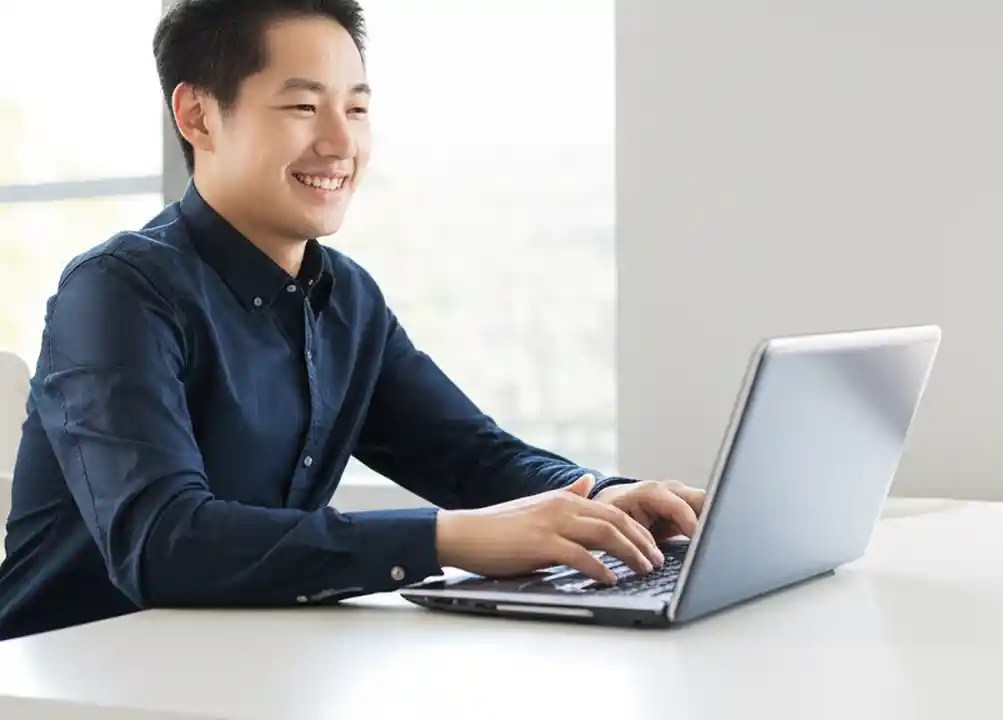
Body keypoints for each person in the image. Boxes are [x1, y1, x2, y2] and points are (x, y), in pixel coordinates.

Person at [0, 0, 704, 641]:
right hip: (63, 677)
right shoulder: (116, 291)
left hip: (238, 669)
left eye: (357, 110)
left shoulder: (347, 300)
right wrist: (446, 539)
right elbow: (163, 543)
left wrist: (611, 500)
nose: (341, 144)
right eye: (303, 107)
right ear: (198, 116)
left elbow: (471, 458)